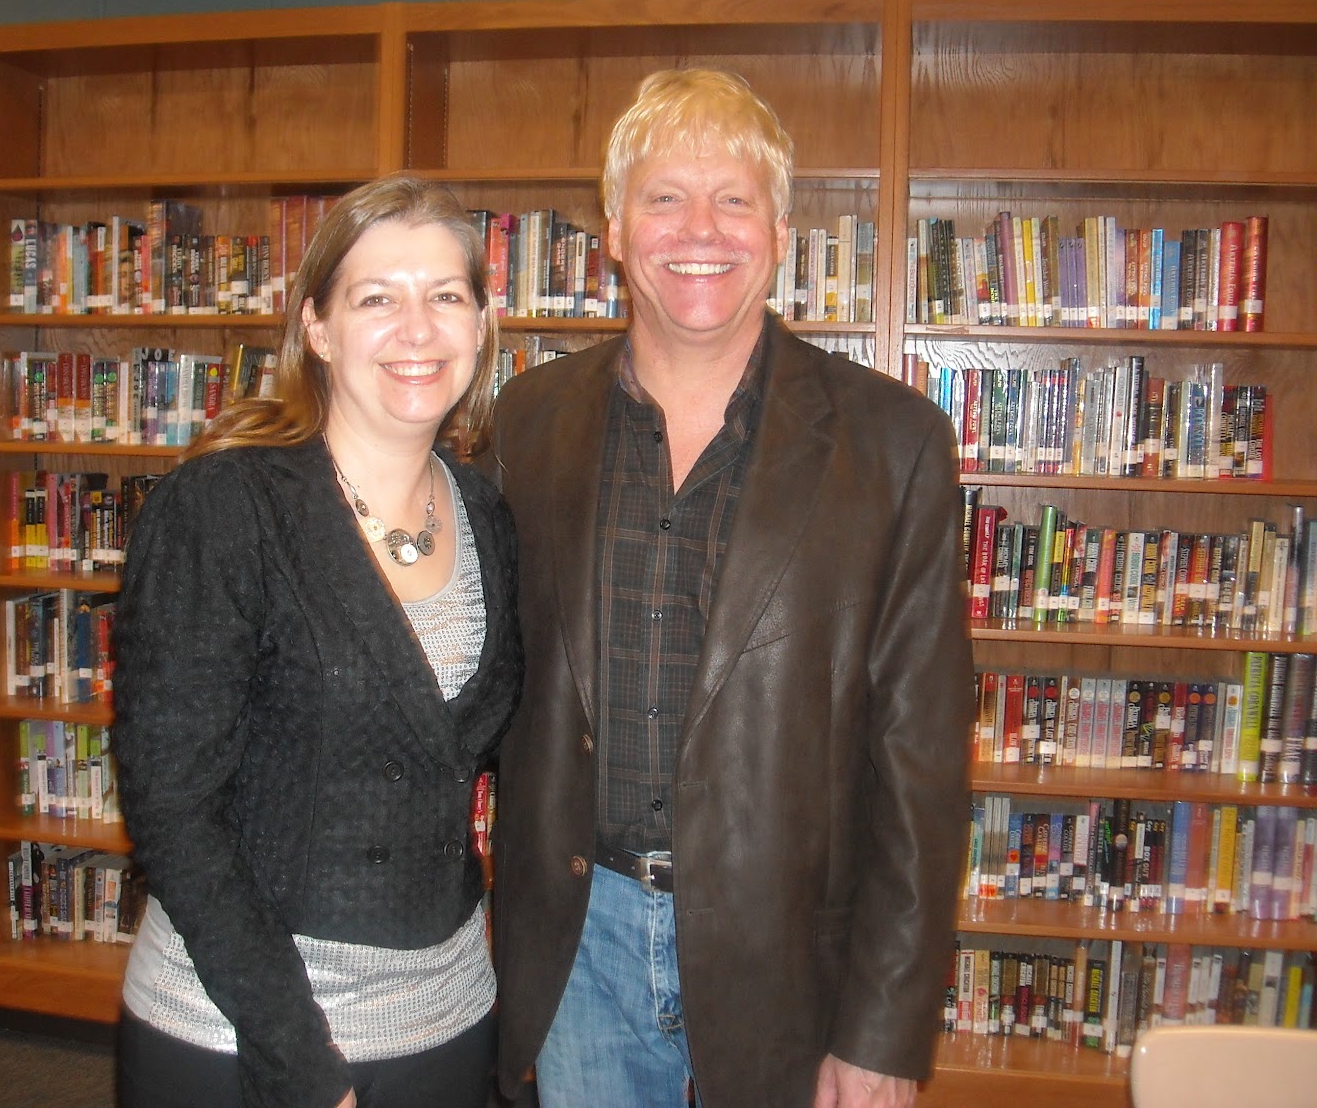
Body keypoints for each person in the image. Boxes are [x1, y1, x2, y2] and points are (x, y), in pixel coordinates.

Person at [486, 69, 974, 1108]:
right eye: (663, 197)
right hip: (580, 952)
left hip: (793, 962)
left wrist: (885, 1030)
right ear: (612, 228)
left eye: (734, 198)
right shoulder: (525, 425)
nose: (698, 229)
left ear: (783, 228)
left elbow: (920, 767)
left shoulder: (894, 445)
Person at [112, 174, 522, 1108]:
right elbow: (173, 810)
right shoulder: (223, 510)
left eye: (446, 297)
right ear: (319, 329)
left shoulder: (488, 516)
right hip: (242, 1035)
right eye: (377, 298)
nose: (417, 329)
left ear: (479, 327)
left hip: (447, 1019)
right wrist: (299, 1060)